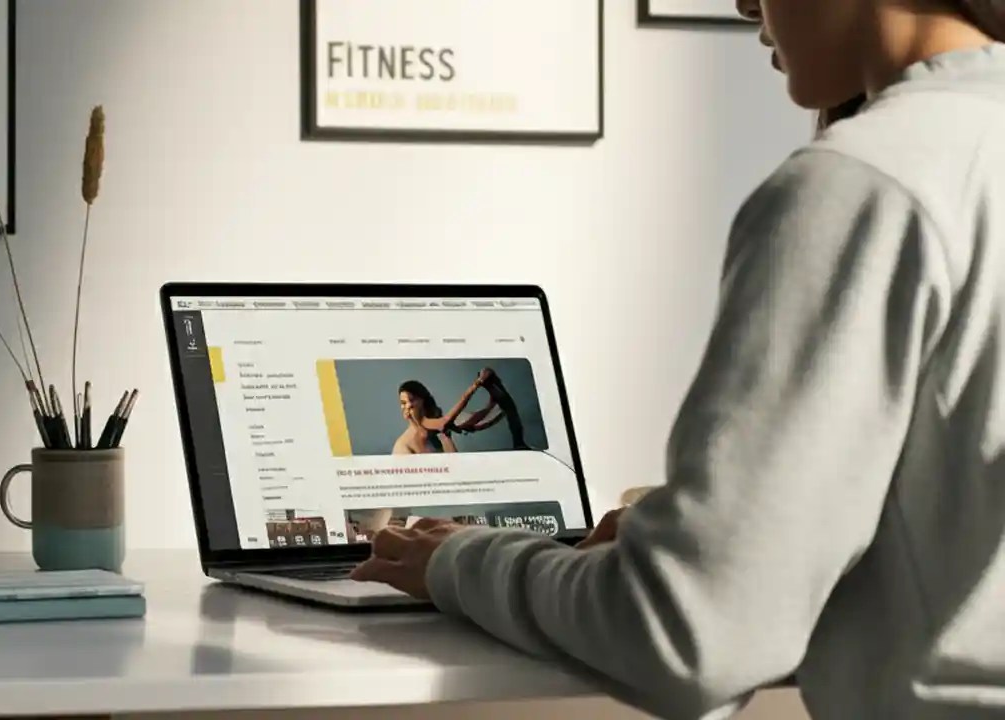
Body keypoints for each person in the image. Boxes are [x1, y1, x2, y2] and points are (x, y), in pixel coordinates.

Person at [351, 1, 1005, 718]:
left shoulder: (866, 182)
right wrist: (703, 536)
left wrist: (460, 561)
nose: (743, 3)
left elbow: (692, 636)